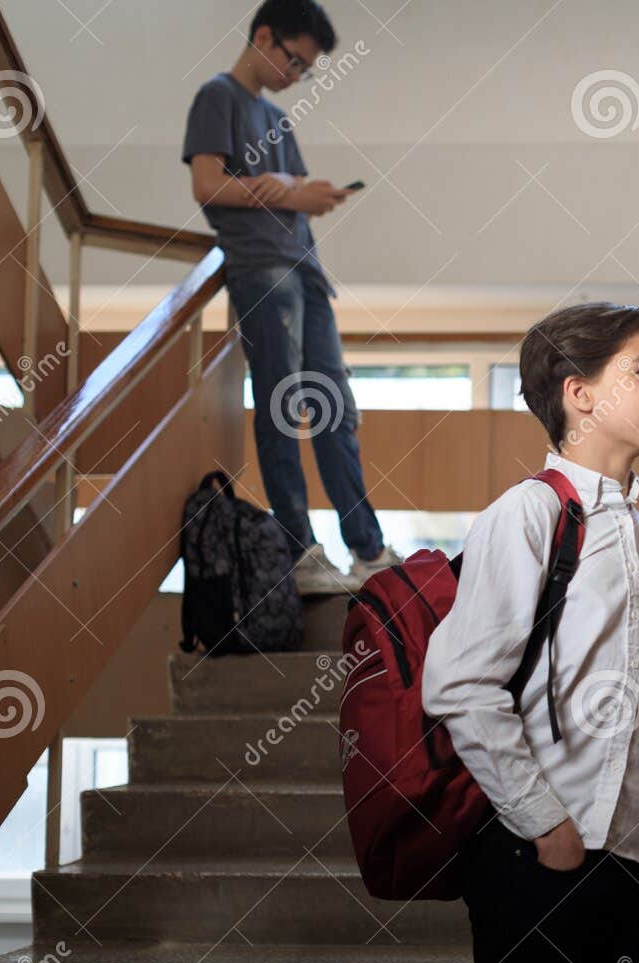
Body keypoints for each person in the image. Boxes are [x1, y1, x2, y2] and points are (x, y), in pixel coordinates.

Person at [420, 302, 639, 963]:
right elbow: (460, 685)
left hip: (622, 860)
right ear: (579, 393)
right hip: (534, 855)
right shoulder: (525, 514)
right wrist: (545, 824)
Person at [182, 0, 399, 593]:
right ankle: (299, 553)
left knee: (334, 408)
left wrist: (310, 192)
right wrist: (288, 195)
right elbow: (207, 184)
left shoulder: (277, 116)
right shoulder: (218, 96)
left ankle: (369, 550)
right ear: (264, 36)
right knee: (283, 407)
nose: (295, 74)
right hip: (262, 269)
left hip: (304, 270)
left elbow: (291, 187)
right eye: (295, 60)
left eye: (305, 69)